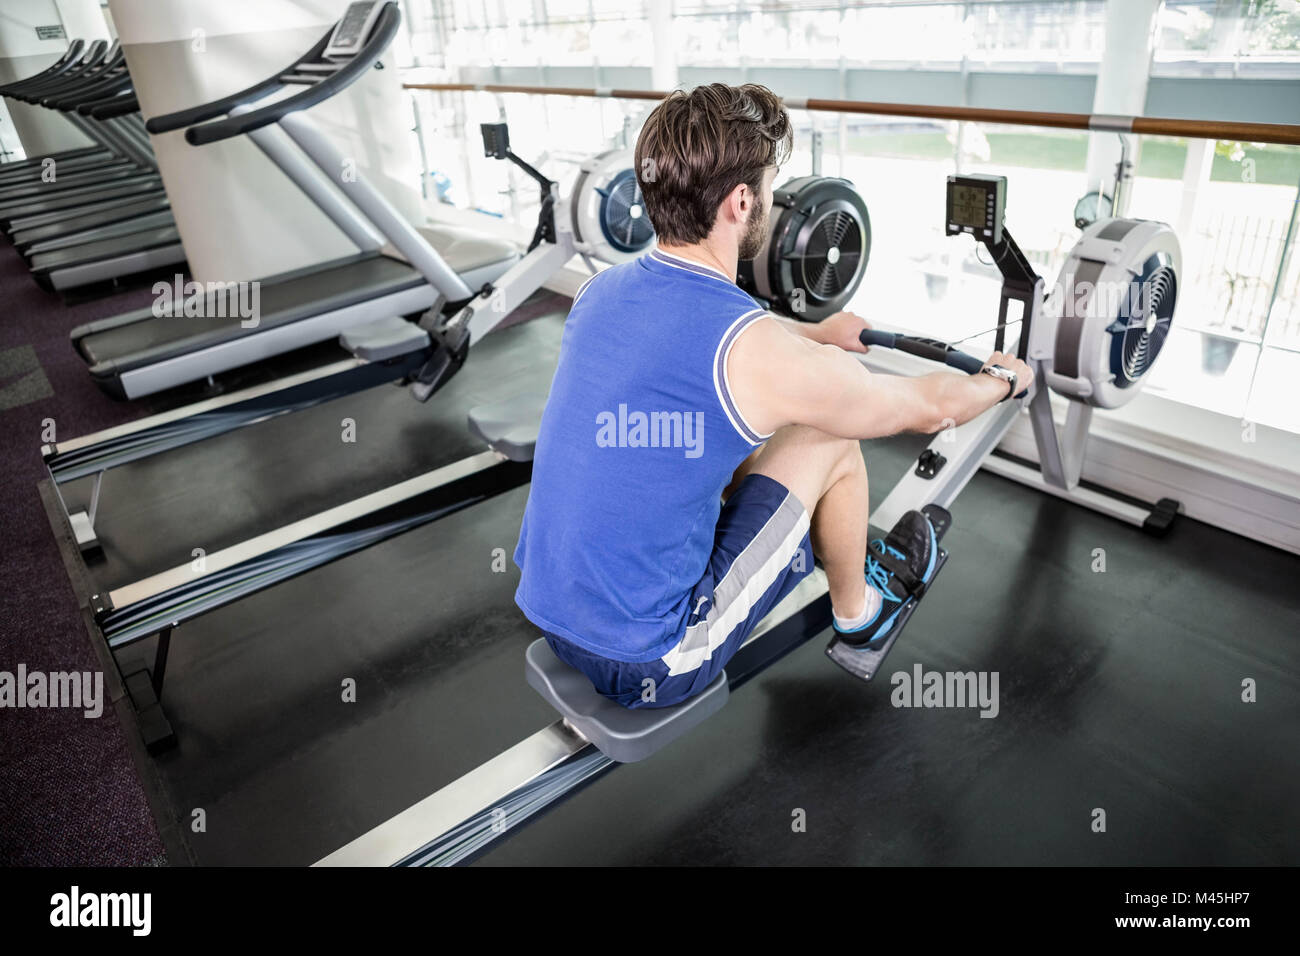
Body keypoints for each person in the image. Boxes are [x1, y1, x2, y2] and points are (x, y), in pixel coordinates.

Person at [514, 83, 1032, 709]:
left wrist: (814, 336)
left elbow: (703, 348)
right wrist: (1000, 380)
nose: (768, 202)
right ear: (740, 202)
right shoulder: (756, 349)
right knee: (831, 436)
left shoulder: (603, 291)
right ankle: (861, 614)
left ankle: (813, 554)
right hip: (654, 656)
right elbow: (925, 408)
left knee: (712, 431)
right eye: (764, 189)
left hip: (547, 607)